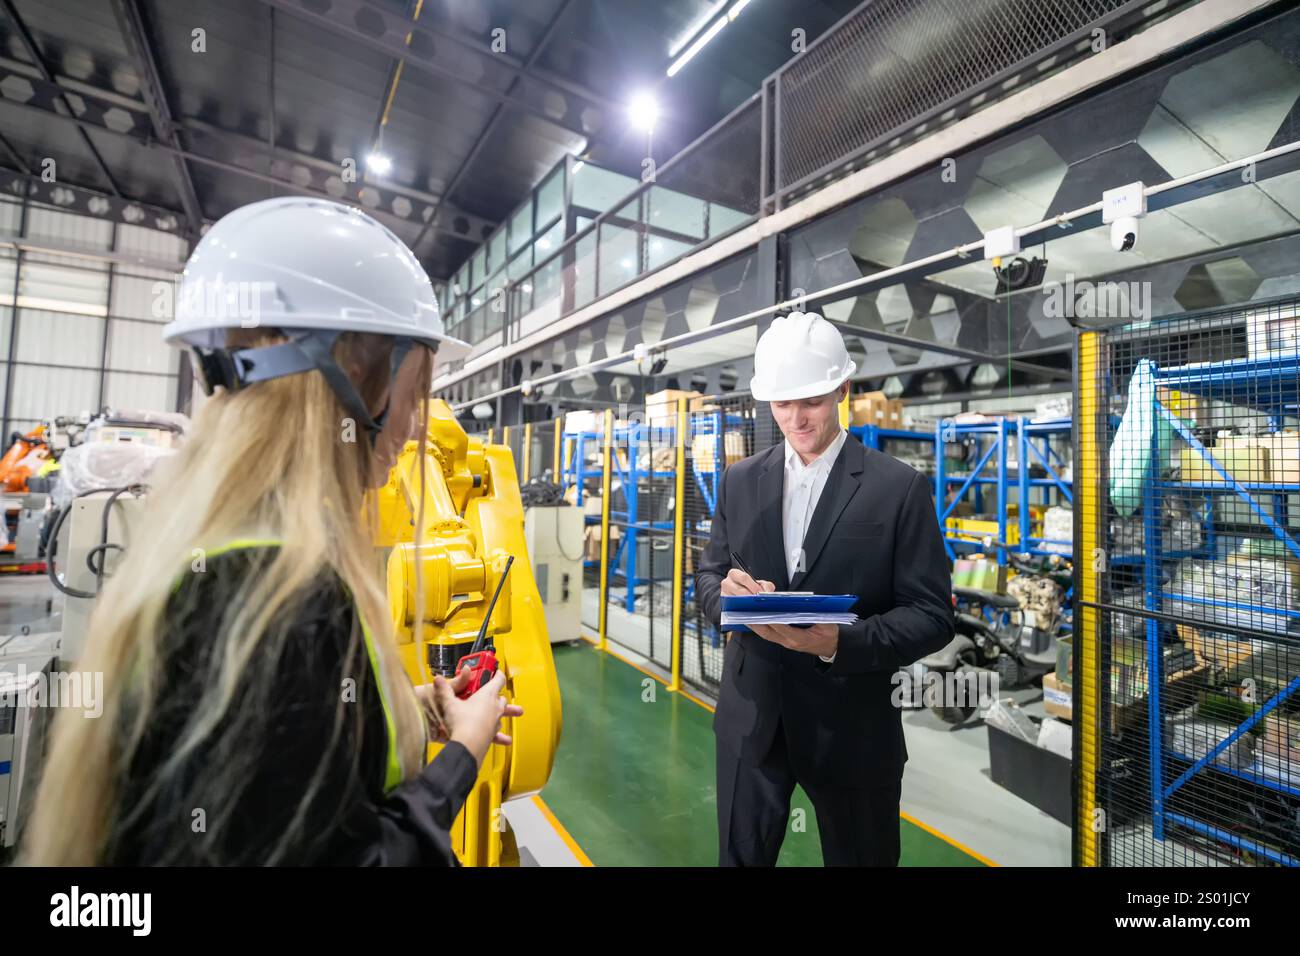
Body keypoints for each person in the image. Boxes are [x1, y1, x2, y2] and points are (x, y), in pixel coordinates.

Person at [21, 197, 520, 866]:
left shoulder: (219, 554)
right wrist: (463, 753)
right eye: (417, 387)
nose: (414, 422)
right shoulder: (284, 604)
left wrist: (396, 706)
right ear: (357, 375)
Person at [696, 310, 954, 867]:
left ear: (842, 388)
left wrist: (836, 643)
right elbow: (708, 576)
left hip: (852, 724)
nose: (795, 419)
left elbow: (932, 614)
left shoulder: (898, 488)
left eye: (810, 401)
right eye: (782, 403)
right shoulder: (741, 481)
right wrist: (726, 599)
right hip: (753, 717)